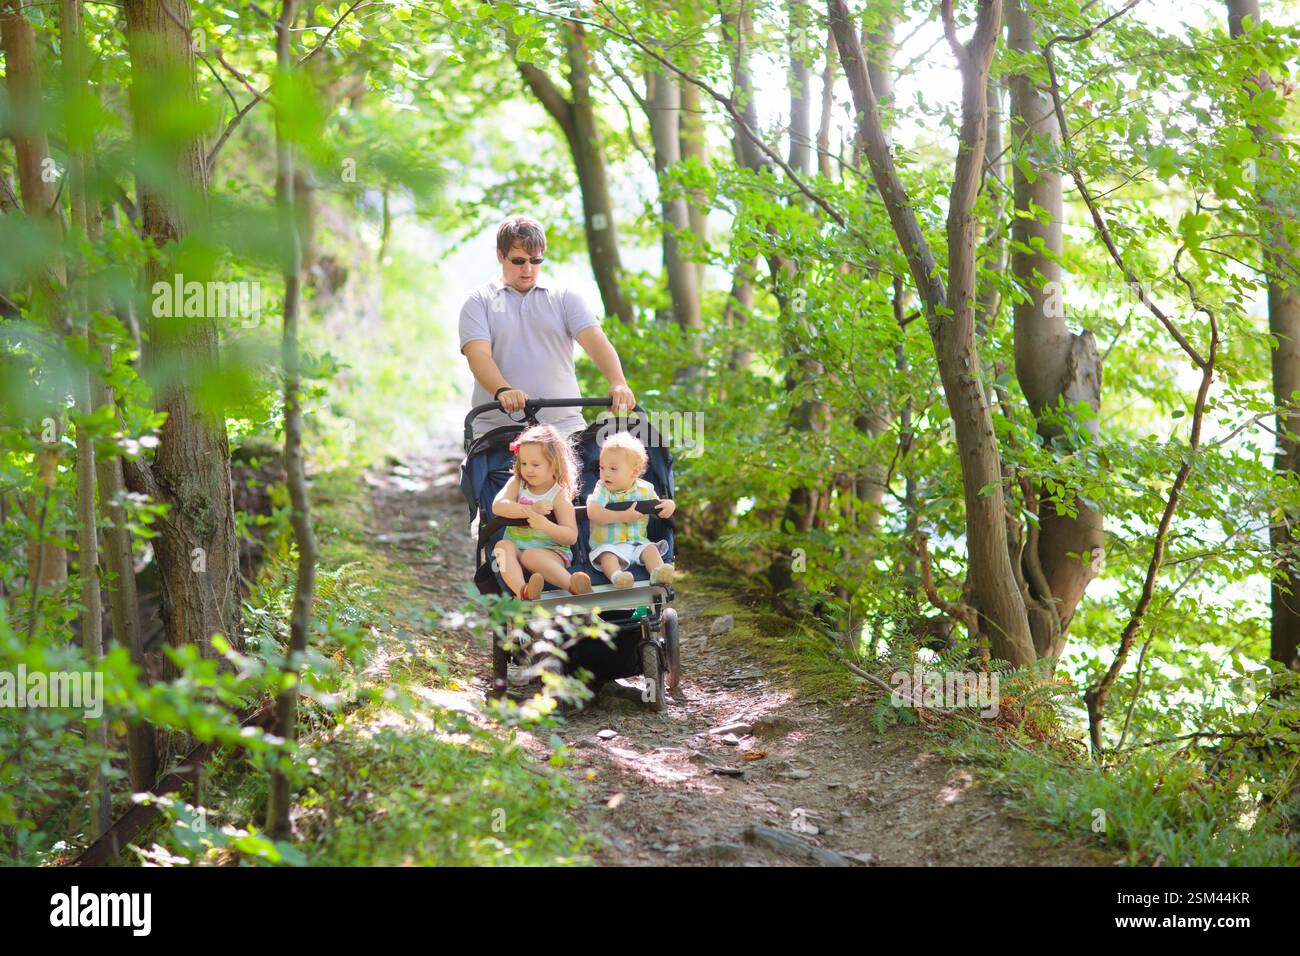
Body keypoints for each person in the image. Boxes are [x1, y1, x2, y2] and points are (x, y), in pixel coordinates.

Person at [459, 215, 635, 438]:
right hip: (497, 432)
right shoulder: (478, 301)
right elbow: (479, 356)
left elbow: (594, 339)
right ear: (500, 255)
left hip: (564, 429)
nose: (528, 269)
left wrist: (618, 382)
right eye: (519, 261)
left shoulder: (565, 298)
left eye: (535, 261)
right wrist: (503, 390)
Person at [492, 424, 593, 599]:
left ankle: (573, 586)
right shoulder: (518, 483)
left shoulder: (559, 494)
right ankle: (523, 591)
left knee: (531, 556)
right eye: (523, 463)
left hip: (550, 552)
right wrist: (530, 510)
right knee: (501, 547)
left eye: (535, 464)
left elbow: (570, 536)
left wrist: (545, 525)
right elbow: (498, 505)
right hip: (516, 549)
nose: (528, 469)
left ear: (554, 465)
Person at [587, 432, 676, 589]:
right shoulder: (602, 489)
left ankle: (658, 573)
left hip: (637, 544)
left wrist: (669, 505)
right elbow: (593, 511)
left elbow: (658, 505)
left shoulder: (645, 489)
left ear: (634, 472)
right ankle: (618, 578)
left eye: (613, 469)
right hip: (609, 544)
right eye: (602, 467)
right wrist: (623, 516)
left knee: (651, 549)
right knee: (607, 556)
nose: (605, 473)